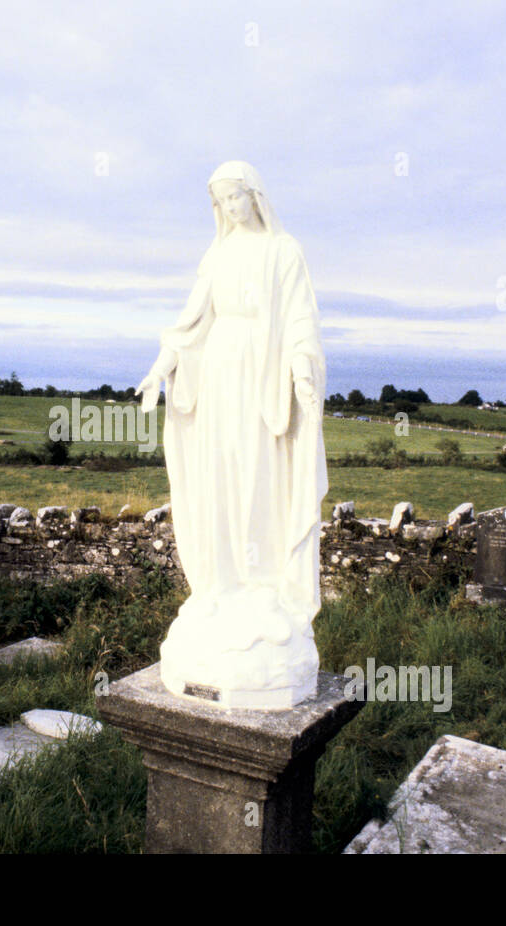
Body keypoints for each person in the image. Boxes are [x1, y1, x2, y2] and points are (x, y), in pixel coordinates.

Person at [137, 160, 328, 708]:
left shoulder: (283, 251)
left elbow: (300, 319)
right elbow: (191, 321)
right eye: (219, 200)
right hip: (219, 374)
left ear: (255, 196)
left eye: (235, 197)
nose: (228, 208)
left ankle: (262, 588)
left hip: (261, 377)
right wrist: (161, 366)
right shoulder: (216, 254)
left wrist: (300, 369)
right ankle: (221, 587)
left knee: (258, 477)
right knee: (219, 476)